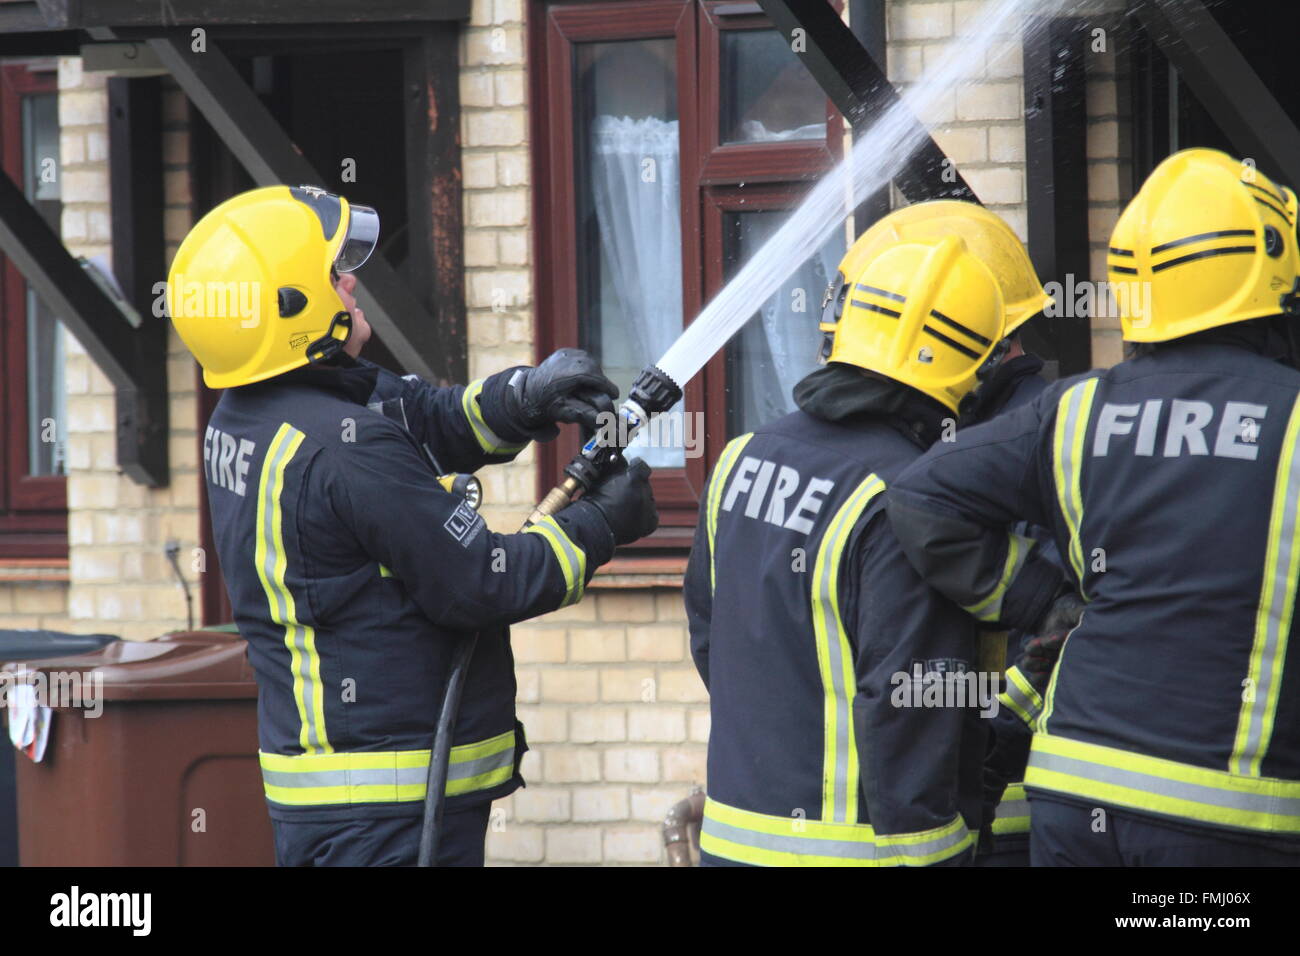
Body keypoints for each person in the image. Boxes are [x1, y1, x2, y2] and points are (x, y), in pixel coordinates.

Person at [169, 185, 658, 866]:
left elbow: (418, 413)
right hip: (389, 814)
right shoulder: (344, 451)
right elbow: (485, 582)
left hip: (339, 797)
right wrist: (600, 524)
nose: (349, 280)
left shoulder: (251, 414)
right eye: (330, 273)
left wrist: (522, 398)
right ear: (291, 309)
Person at [888, 148, 1300, 866]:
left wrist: (1046, 599)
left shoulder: (1076, 409)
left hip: (1072, 796)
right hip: (1226, 817)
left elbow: (922, 495)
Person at [684, 201, 1049, 866]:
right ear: (968, 370)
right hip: (853, 851)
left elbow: (713, 642)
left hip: (733, 841)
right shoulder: (905, 497)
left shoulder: (739, 459)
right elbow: (906, 704)